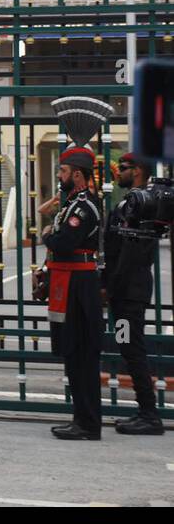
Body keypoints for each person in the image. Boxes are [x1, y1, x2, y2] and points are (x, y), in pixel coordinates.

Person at [36, 145, 103, 440]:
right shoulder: (73, 203)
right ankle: (81, 419)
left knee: (82, 355)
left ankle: (88, 424)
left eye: (63, 171)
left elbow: (62, 242)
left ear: (77, 174)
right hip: (69, 282)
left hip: (80, 286)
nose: (59, 175)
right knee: (73, 354)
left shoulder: (84, 207)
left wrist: (49, 235)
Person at [103, 154, 164, 436]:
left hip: (129, 291)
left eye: (123, 168)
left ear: (137, 171)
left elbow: (129, 251)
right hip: (128, 289)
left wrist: (111, 286)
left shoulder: (140, 203)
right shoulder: (136, 201)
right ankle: (145, 411)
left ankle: (149, 414)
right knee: (129, 346)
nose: (118, 172)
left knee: (133, 348)